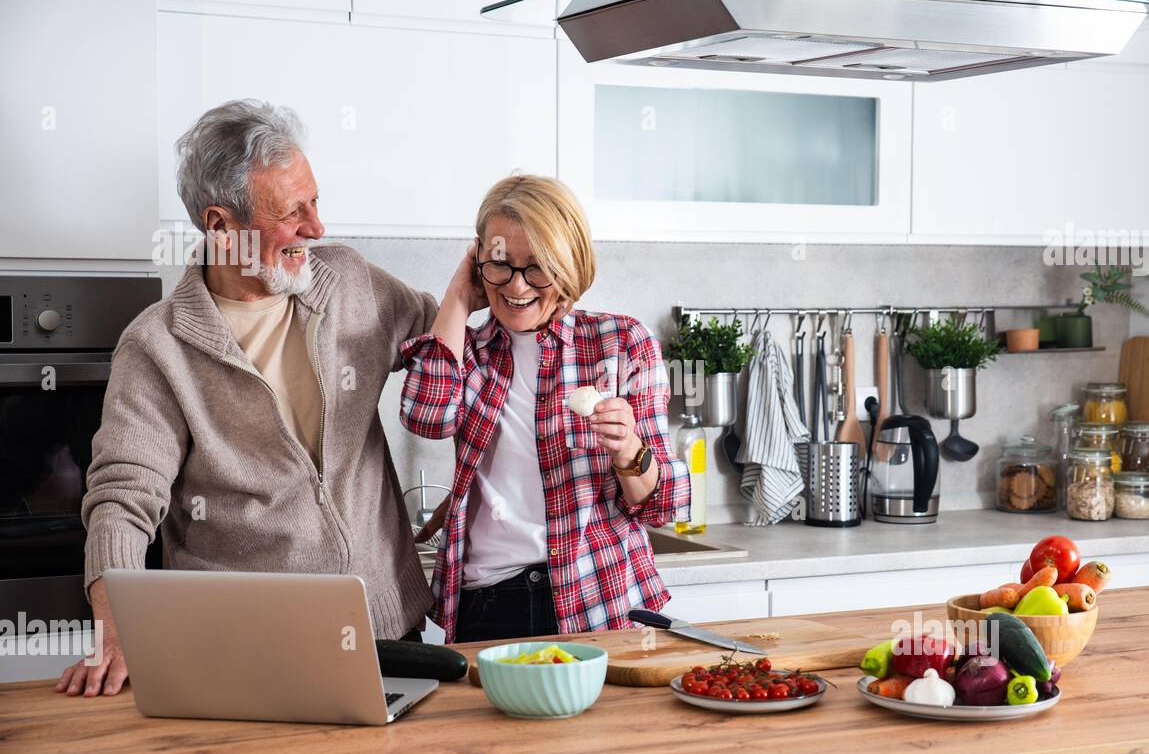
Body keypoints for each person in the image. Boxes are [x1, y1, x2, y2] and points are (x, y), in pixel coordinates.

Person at [57, 99, 436, 697]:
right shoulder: (159, 345)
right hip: (239, 652)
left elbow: (455, 342)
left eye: (315, 201)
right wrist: (117, 629)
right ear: (220, 226)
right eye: (292, 213)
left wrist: (494, 281)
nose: (317, 228)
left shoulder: (350, 283)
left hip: (386, 636)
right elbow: (123, 499)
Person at [399, 175, 689, 642]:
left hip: (598, 597)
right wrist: (456, 297)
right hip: (487, 601)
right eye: (499, 264)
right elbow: (426, 418)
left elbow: (661, 505)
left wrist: (628, 449)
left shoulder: (620, 343)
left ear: (567, 264)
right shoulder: (469, 352)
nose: (516, 287)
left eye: (537, 269)